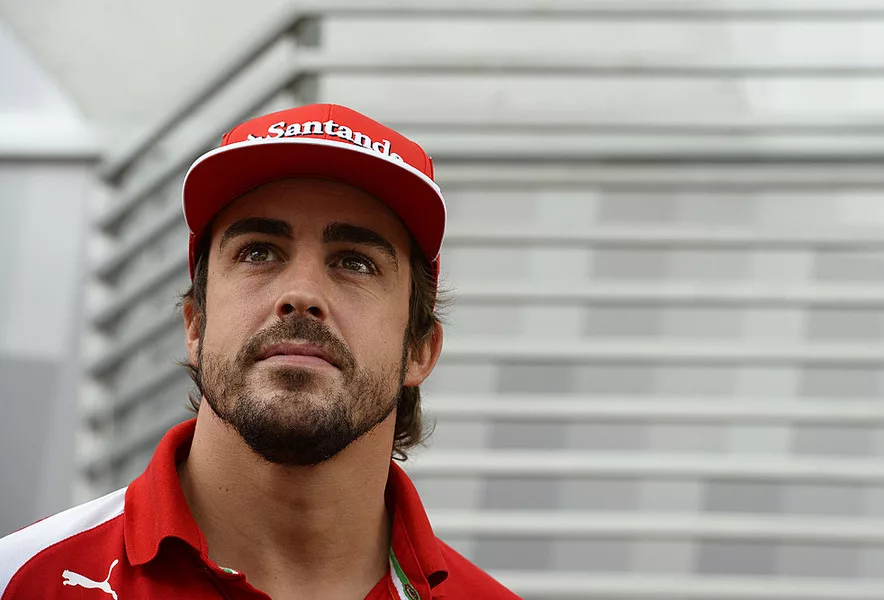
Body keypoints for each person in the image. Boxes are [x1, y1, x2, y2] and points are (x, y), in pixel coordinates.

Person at [0, 104, 521, 599]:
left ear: (419, 350)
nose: (302, 294)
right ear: (196, 324)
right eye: (258, 252)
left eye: (355, 262)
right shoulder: (21, 581)